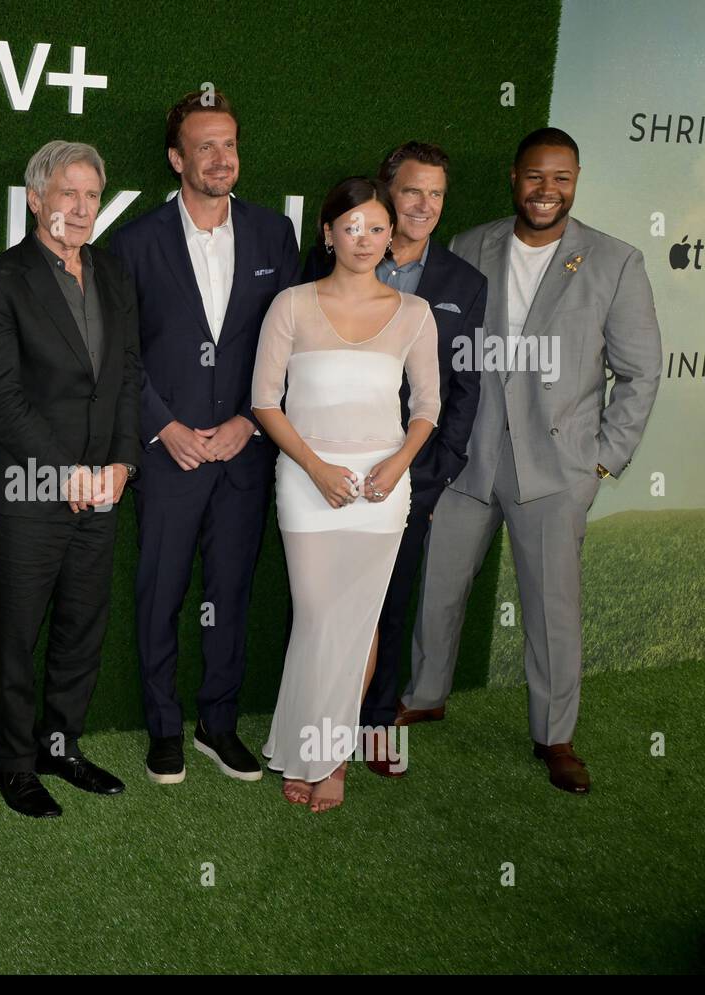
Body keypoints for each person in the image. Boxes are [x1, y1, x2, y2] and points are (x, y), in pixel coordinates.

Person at [400, 127, 661, 793]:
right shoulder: (468, 245)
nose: (548, 191)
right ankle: (426, 694)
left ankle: (555, 735)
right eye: (536, 177)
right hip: (468, 457)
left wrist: (601, 463)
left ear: (576, 180)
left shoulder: (615, 261)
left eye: (562, 178)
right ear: (514, 178)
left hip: (555, 470)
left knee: (551, 608)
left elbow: (640, 372)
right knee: (439, 589)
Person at [109, 89, 299, 785]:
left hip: (245, 452)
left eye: (229, 144)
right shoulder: (133, 243)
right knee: (160, 592)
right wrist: (163, 425)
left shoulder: (275, 236)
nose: (221, 159)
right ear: (176, 158)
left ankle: (219, 723)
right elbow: (119, 353)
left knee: (232, 590)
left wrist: (252, 419)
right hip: (170, 455)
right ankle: (164, 727)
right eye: (205, 147)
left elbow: (289, 341)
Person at [252, 177, 439, 812]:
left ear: (391, 237)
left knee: (359, 626)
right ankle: (306, 743)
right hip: (308, 483)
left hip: (383, 487)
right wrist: (315, 467)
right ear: (327, 234)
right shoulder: (292, 306)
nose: (364, 239)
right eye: (351, 227)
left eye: (376, 228)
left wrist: (395, 466)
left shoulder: (415, 314)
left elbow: (429, 407)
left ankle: (329, 759)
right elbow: (263, 402)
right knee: (317, 618)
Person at [0, 140, 142, 818]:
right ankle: (13, 762)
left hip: (102, 489)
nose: (79, 206)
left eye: (91, 195)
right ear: (35, 198)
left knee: (81, 625)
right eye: (65, 193)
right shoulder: (0, 280)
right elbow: (4, 398)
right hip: (32, 490)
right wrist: (64, 473)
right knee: (17, 632)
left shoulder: (115, 275)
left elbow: (128, 376)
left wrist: (124, 463)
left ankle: (60, 745)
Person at [302, 142, 486, 775]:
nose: (425, 206)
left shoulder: (465, 284)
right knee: (326, 604)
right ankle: (317, 729)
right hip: (322, 474)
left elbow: (462, 391)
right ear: (386, 191)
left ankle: (377, 727)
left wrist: (434, 474)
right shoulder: (330, 264)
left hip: (410, 477)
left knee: (390, 598)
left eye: (436, 194)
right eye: (412, 192)